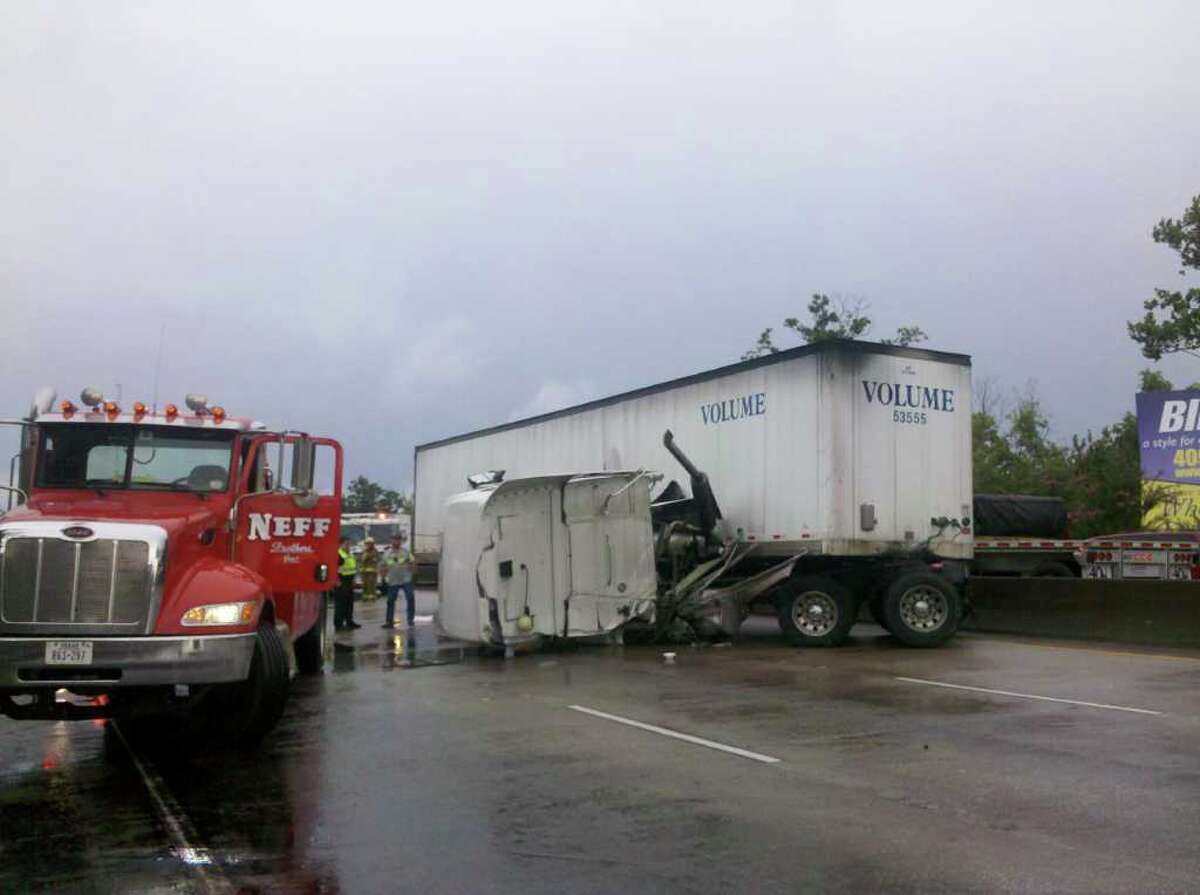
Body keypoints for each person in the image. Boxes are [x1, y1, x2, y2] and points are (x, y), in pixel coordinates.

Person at [382, 532, 416, 629]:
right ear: (391, 540)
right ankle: (389, 621)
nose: (396, 541)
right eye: (395, 539)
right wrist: (384, 576)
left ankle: (410, 620)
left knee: (410, 597)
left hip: (406, 579)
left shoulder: (406, 552)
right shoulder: (386, 553)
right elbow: (383, 565)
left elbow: (413, 562)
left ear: (400, 541)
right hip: (393, 580)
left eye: (398, 539)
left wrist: (413, 572)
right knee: (390, 601)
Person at [335, 537, 361, 630]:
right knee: (341, 604)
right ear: (341, 544)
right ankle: (339, 624)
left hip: (349, 580)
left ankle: (349, 622)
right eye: (346, 544)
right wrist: (336, 580)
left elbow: (353, 568)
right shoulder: (338, 554)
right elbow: (334, 569)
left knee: (349, 603)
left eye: (349, 544)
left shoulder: (350, 554)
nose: (348, 546)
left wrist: (354, 580)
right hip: (341, 580)